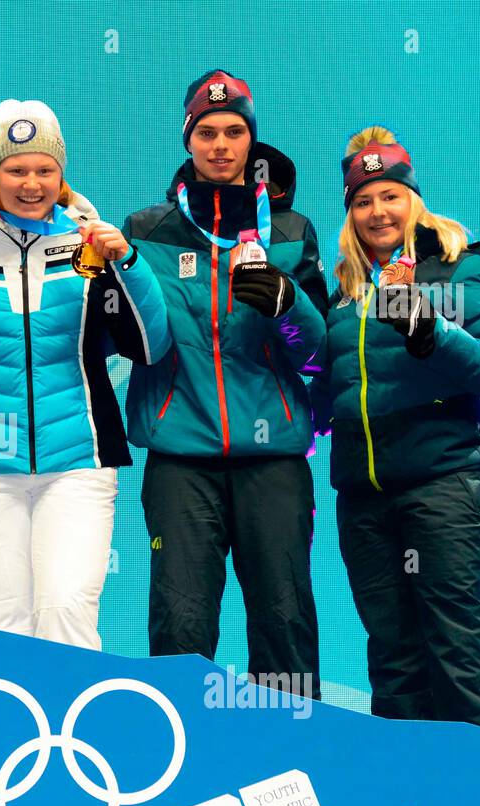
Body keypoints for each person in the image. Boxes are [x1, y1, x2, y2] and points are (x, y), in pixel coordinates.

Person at [0, 100, 169, 650]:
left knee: (64, 616)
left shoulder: (92, 240)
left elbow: (150, 346)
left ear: (61, 175)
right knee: (3, 631)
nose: (30, 183)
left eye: (43, 169)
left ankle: (74, 738)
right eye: (15, 169)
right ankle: (15, 738)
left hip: (79, 463)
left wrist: (129, 263)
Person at [311, 126, 480, 732]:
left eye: (390, 196)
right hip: (364, 499)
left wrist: (429, 328)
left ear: (414, 201)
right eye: (362, 201)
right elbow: (330, 396)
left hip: (442, 487)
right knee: (393, 658)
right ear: (350, 215)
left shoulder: (456, 268)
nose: (378, 211)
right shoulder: (345, 292)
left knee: (457, 647)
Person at [123, 69, 327, 694]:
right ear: (188, 141)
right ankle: (184, 770)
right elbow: (134, 338)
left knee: (285, 622)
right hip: (181, 458)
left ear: (251, 142)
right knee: (180, 628)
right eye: (206, 132)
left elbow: (316, 352)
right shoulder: (148, 231)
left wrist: (286, 303)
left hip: (274, 461)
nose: (220, 145)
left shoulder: (291, 231)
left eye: (234, 132)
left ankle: (294, 768)